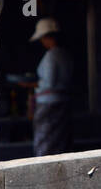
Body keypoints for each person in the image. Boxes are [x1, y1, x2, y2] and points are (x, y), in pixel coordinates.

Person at [29, 17, 74, 156]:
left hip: (48, 103)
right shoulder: (66, 55)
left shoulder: (51, 56)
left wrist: (31, 84)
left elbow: (49, 82)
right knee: (59, 140)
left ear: (47, 38)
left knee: (44, 139)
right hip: (63, 100)